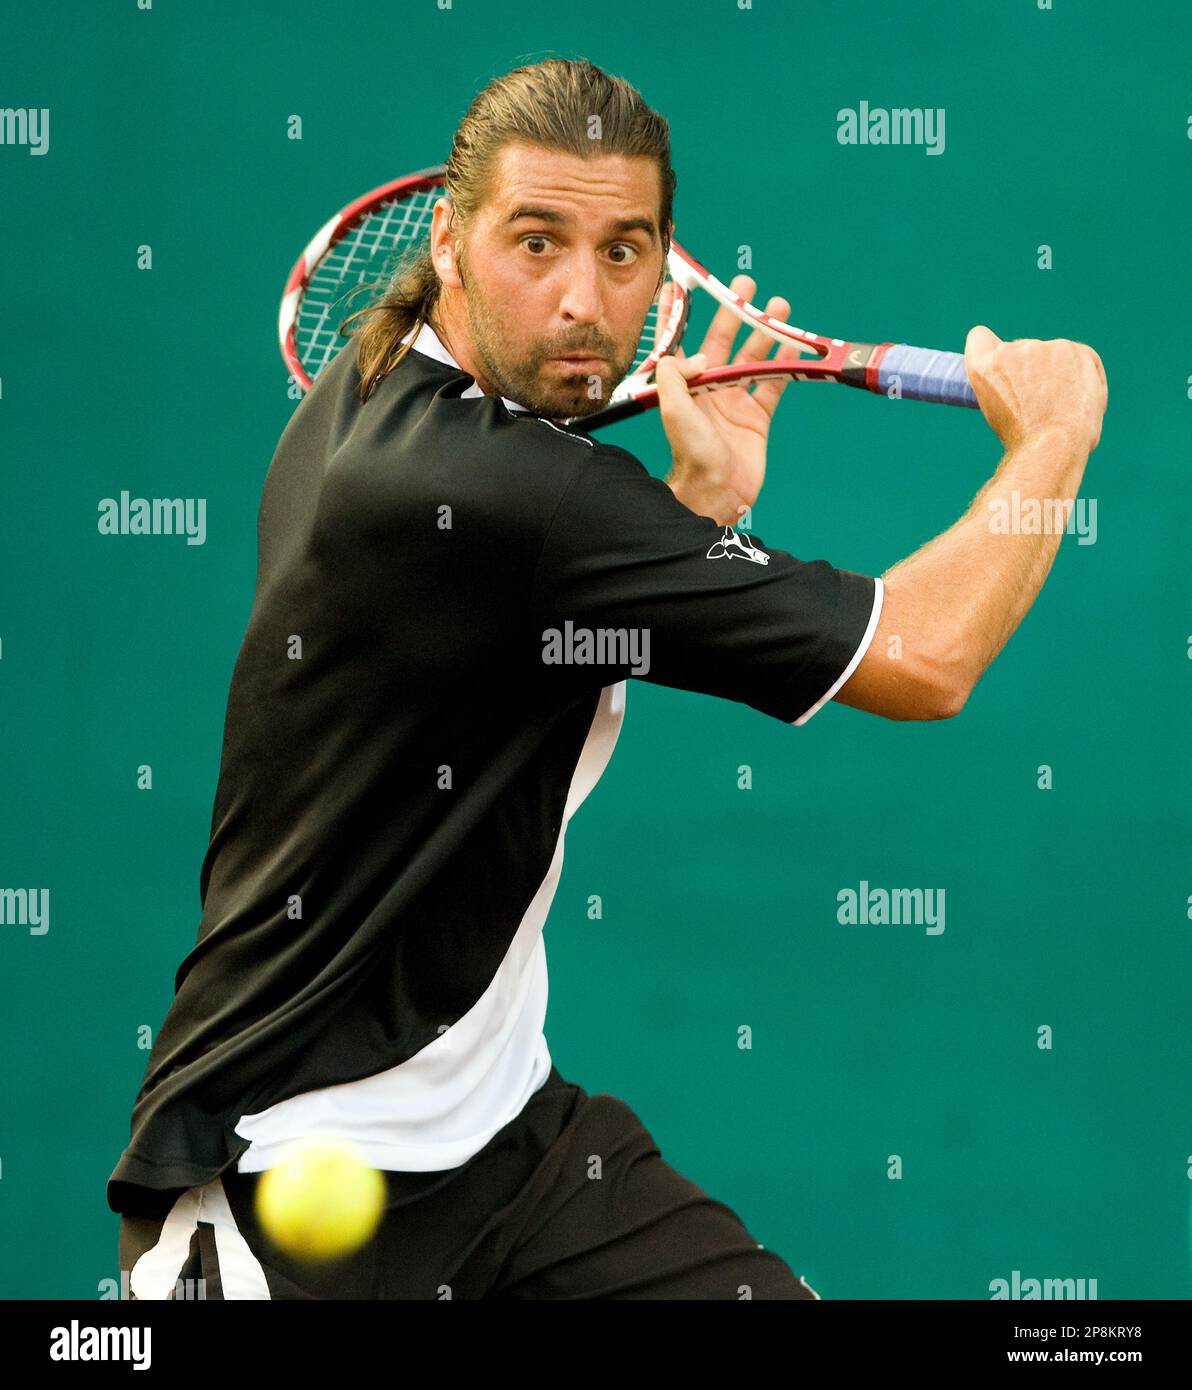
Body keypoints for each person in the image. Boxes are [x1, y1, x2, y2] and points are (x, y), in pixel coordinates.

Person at [109, 58, 1107, 1301]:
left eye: (626, 252)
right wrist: (1056, 437)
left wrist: (697, 515)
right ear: (451, 241)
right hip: (293, 1182)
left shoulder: (383, 399)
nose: (584, 300)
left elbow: (524, 634)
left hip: (509, 1143)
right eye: (538, 242)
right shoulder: (506, 489)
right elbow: (925, 656)